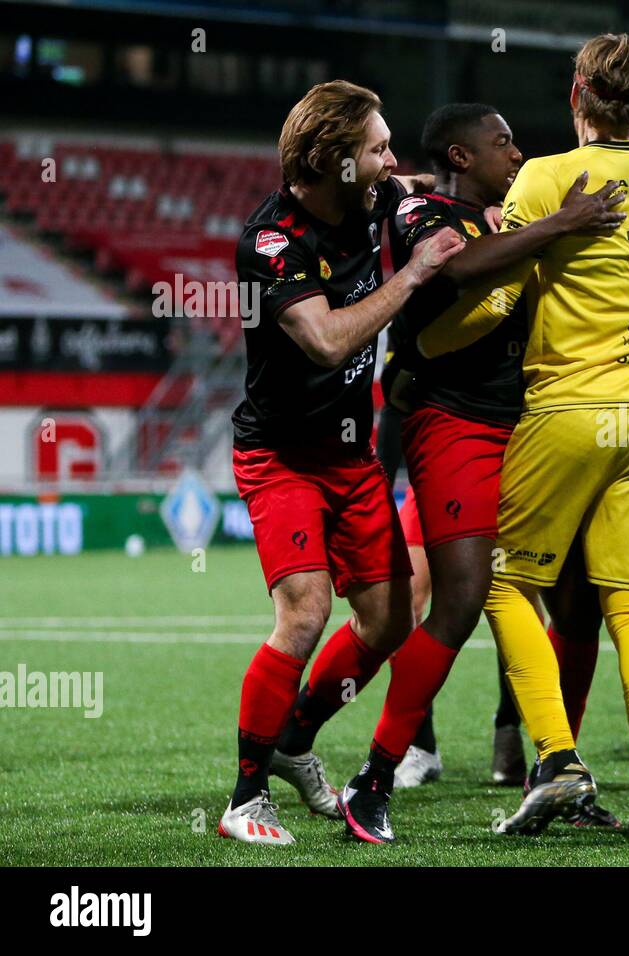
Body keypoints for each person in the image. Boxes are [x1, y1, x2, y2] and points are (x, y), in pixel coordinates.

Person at [335, 102, 629, 843]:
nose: (517, 151)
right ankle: (376, 773)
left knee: (574, 597)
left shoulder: (502, 218)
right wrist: (561, 223)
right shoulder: (422, 214)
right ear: (461, 158)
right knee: (458, 596)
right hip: (452, 424)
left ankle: (555, 767)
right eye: (502, 142)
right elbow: (455, 268)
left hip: (533, 425)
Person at [412, 34, 629, 839]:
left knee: (500, 582)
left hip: (570, 408)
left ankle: (559, 762)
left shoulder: (546, 176)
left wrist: (427, 344)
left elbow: (505, 289)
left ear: (577, 92)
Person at [220, 80, 465, 845]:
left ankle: (294, 740)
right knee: (305, 611)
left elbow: (419, 189)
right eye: (378, 147)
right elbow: (326, 341)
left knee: (392, 617)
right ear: (334, 161)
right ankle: (245, 798)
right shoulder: (272, 243)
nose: (392, 160)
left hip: (353, 456)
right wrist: (416, 271)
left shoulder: (370, 195)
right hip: (282, 456)